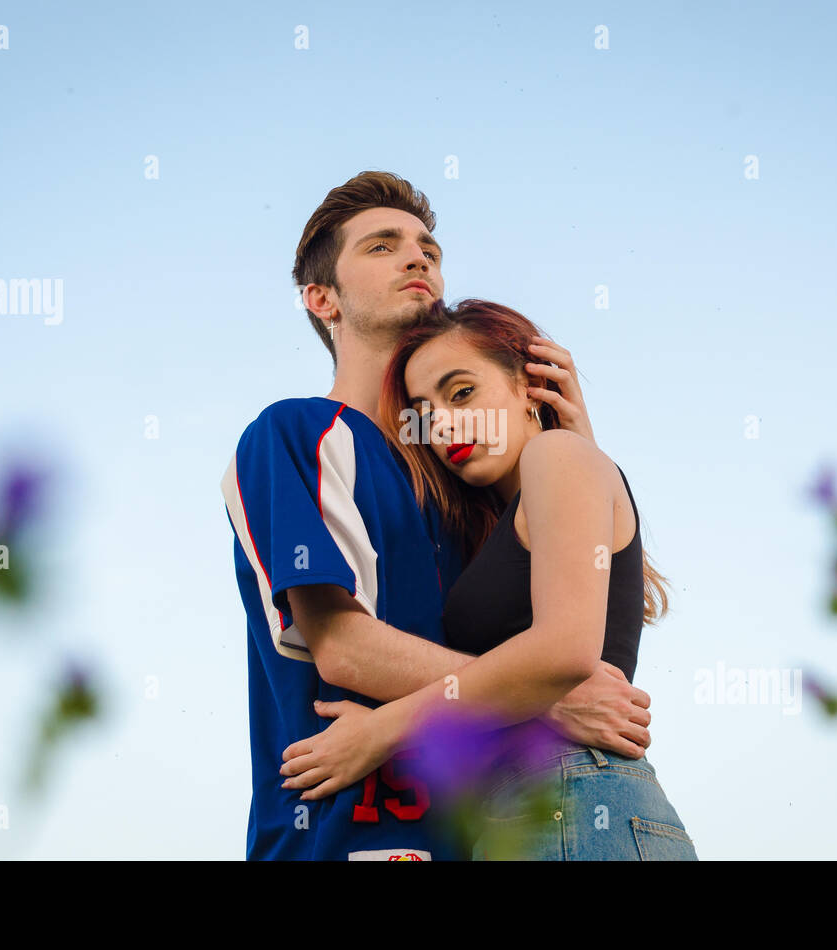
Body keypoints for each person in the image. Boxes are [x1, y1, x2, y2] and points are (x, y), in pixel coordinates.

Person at [220, 171, 655, 860]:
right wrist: (549, 696)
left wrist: (566, 440)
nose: (418, 256)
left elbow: (584, 620)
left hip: (490, 836)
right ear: (321, 297)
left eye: (429, 246)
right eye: (382, 246)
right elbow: (342, 645)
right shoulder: (296, 434)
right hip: (340, 837)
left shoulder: (467, 481)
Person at [278, 298, 700, 861]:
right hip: (524, 811)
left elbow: (562, 653)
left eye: (462, 393)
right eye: (425, 413)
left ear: (531, 386)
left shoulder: (558, 455)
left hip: (575, 796)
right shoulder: (507, 517)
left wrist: (381, 732)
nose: (444, 423)